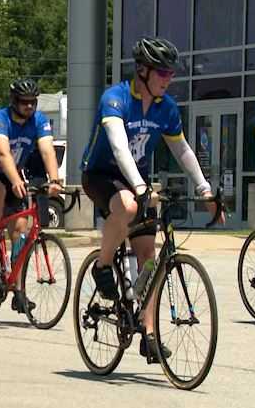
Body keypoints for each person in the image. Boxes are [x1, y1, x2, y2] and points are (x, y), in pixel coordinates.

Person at [80, 37, 223, 360]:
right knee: (129, 205)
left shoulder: (166, 108)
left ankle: (149, 333)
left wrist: (205, 190)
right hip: (101, 174)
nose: (168, 79)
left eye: (171, 74)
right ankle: (103, 266)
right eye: (162, 73)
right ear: (142, 71)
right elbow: (118, 147)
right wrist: (140, 188)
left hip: (135, 180)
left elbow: (182, 150)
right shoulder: (115, 99)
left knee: (149, 258)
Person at [0, 78, 63, 313]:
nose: (29, 107)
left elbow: (47, 149)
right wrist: (16, 180)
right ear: (14, 101)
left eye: (33, 102)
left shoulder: (39, 121)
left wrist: (55, 179)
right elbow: (3, 154)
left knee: (20, 230)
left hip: (12, 175)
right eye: (24, 102)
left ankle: (18, 292)